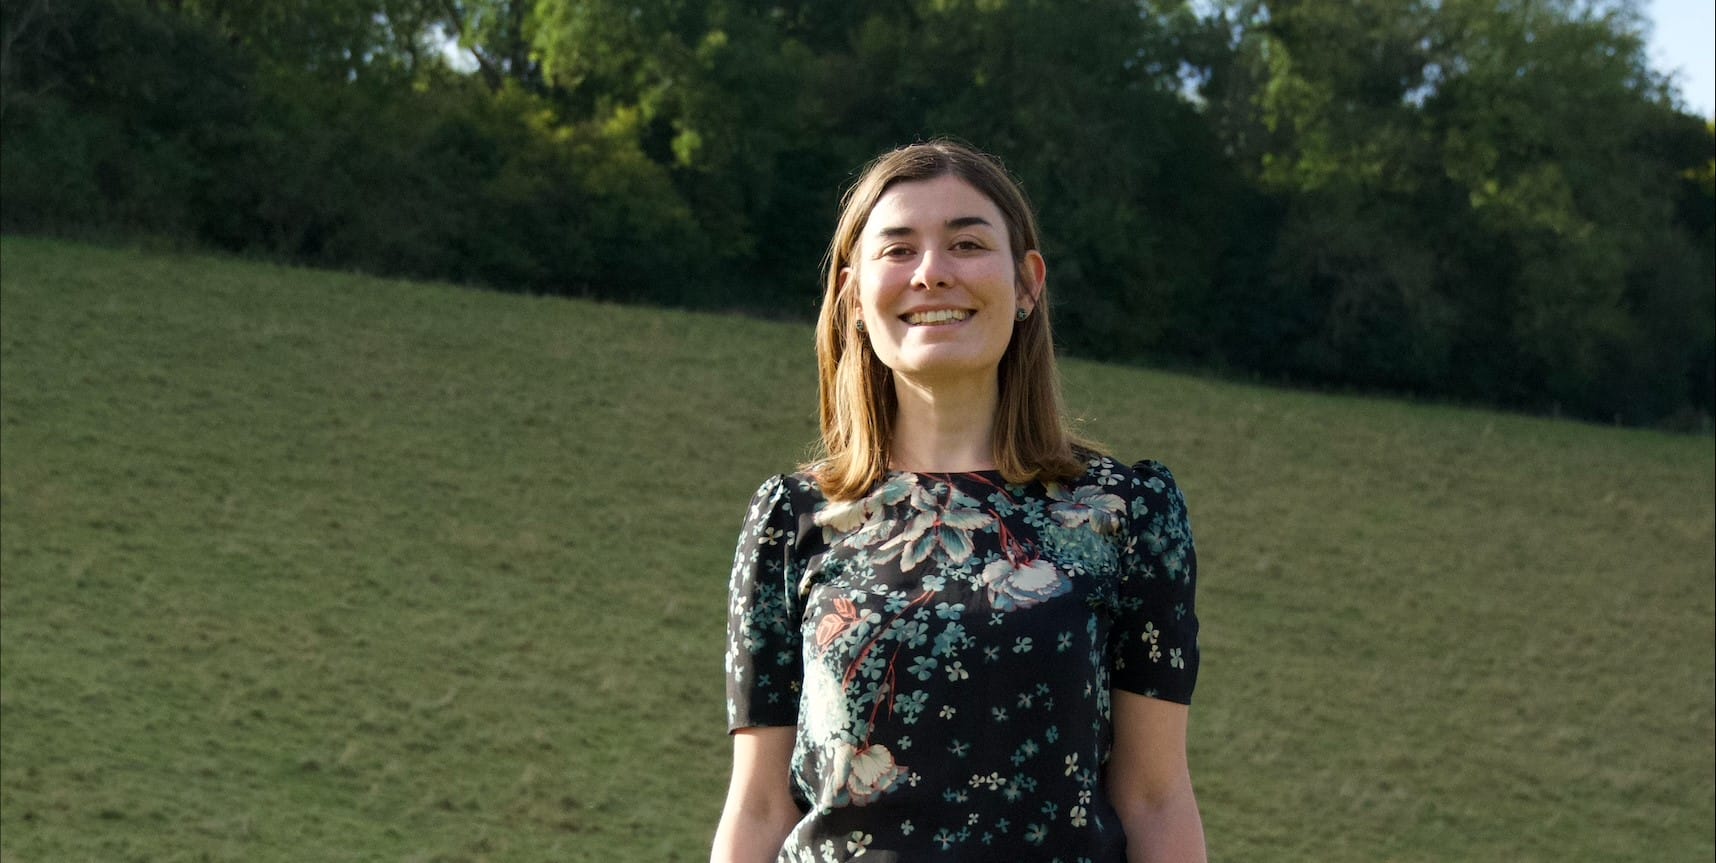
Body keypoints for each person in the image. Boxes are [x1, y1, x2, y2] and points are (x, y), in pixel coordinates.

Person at [712, 140, 1205, 863]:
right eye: (898, 250)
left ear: (1027, 283)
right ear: (852, 297)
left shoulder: (1126, 515)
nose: (932, 273)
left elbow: (1155, 799)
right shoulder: (791, 521)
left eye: (967, 244)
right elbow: (758, 807)